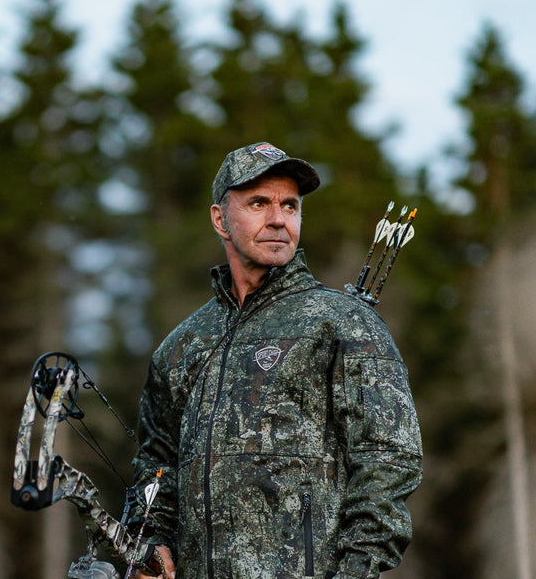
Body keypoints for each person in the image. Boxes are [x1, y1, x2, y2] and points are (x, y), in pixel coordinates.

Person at [125, 142, 422, 579]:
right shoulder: (181, 345)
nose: (279, 219)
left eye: (290, 205)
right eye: (259, 203)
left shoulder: (343, 323)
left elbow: (389, 459)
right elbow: (155, 463)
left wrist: (357, 571)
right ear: (219, 219)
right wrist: (150, 538)